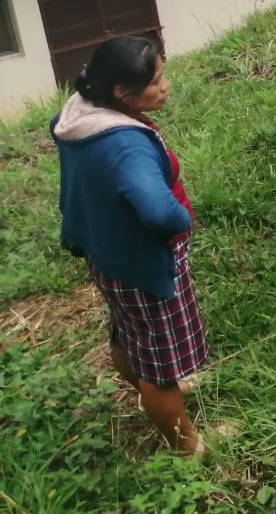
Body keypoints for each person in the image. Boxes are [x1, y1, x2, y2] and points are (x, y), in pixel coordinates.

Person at [52, 36, 206, 454]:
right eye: (156, 80)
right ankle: (186, 445)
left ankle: (145, 380)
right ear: (121, 92)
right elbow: (158, 211)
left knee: (130, 333)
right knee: (161, 366)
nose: (165, 85)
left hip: (107, 252)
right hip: (144, 264)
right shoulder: (126, 145)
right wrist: (181, 218)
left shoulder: (79, 114)